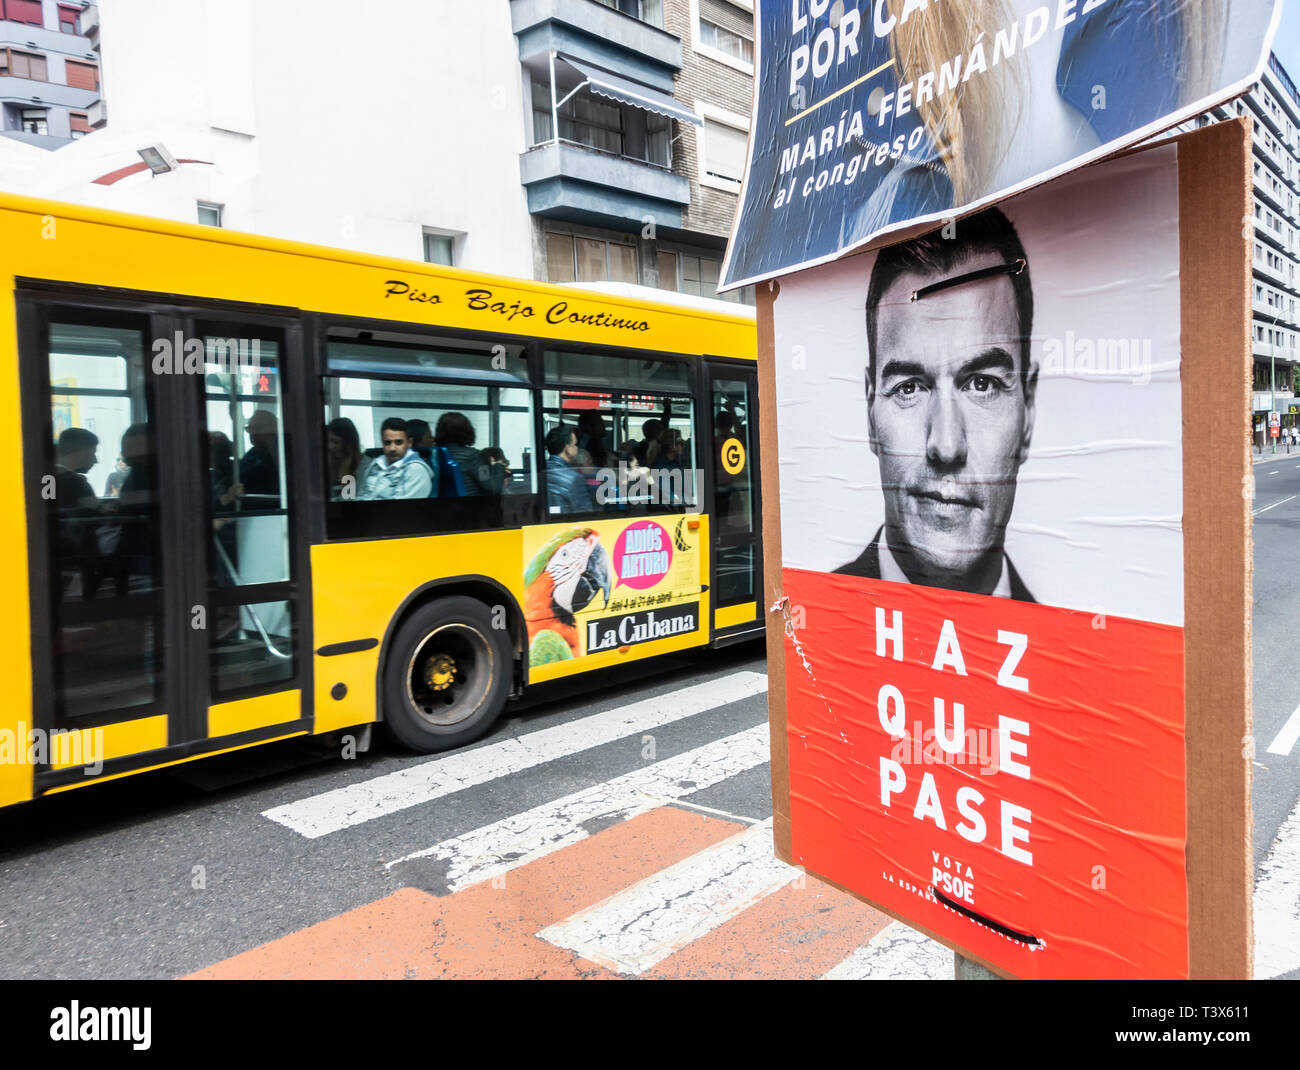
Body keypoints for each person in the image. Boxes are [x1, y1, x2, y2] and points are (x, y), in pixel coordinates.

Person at [837, 206, 1036, 601]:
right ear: (870, 415)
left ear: (1027, 414)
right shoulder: (823, 620)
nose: (946, 446)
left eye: (982, 384)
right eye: (909, 388)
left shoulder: (1073, 650)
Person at [358, 417, 434, 499]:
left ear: (409, 443)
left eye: (398, 442)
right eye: (387, 443)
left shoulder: (416, 470)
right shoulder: (375, 464)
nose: (392, 448)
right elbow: (361, 495)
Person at [434, 411, 505, 497]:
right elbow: (493, 488)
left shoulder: (436, 454)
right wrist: (499, 466)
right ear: (467, 431)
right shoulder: (473, 456)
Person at [545, 425, 594, 515]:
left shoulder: (541, 471)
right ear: (567, 449)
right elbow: (585, 514)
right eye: (575, 444)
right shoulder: (574, 478)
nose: (577, 448)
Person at [325, 417, 372, 501]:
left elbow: (348, 499)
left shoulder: (367, 467)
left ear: (349, 443)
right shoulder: (331, 461)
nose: (330, 446)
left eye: (335, 442)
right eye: (328, 441)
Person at [239, 409, 281, 496]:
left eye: (257, 428)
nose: (252, 433)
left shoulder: (283, 453)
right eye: (249, 428)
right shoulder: (250, 455)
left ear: (273, 429)